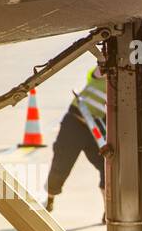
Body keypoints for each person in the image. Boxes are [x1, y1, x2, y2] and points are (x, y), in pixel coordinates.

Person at [44, 63, 106, 212]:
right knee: (61, 164)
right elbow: (100, 69)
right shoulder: (102, 74)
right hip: (75, 122)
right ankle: (50, 198)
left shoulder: (127, 84)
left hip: (95, 129)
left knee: (108, 166)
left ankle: (108, 211)